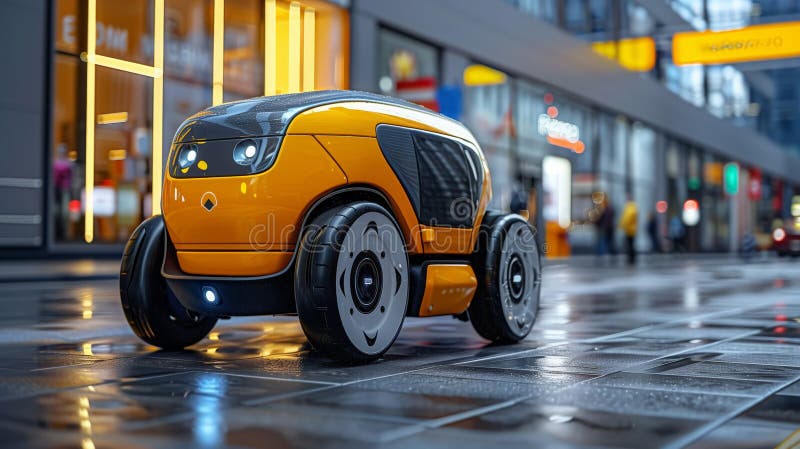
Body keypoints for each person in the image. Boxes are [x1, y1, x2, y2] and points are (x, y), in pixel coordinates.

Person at [619, 195, 638, 265]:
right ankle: (631, 258)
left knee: (630, 244)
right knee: (630, 244)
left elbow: (626, 218)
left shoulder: (630, 207)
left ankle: (631, 259)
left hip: (630, 229)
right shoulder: (631, 207)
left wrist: (622, 225)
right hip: (630, 229)